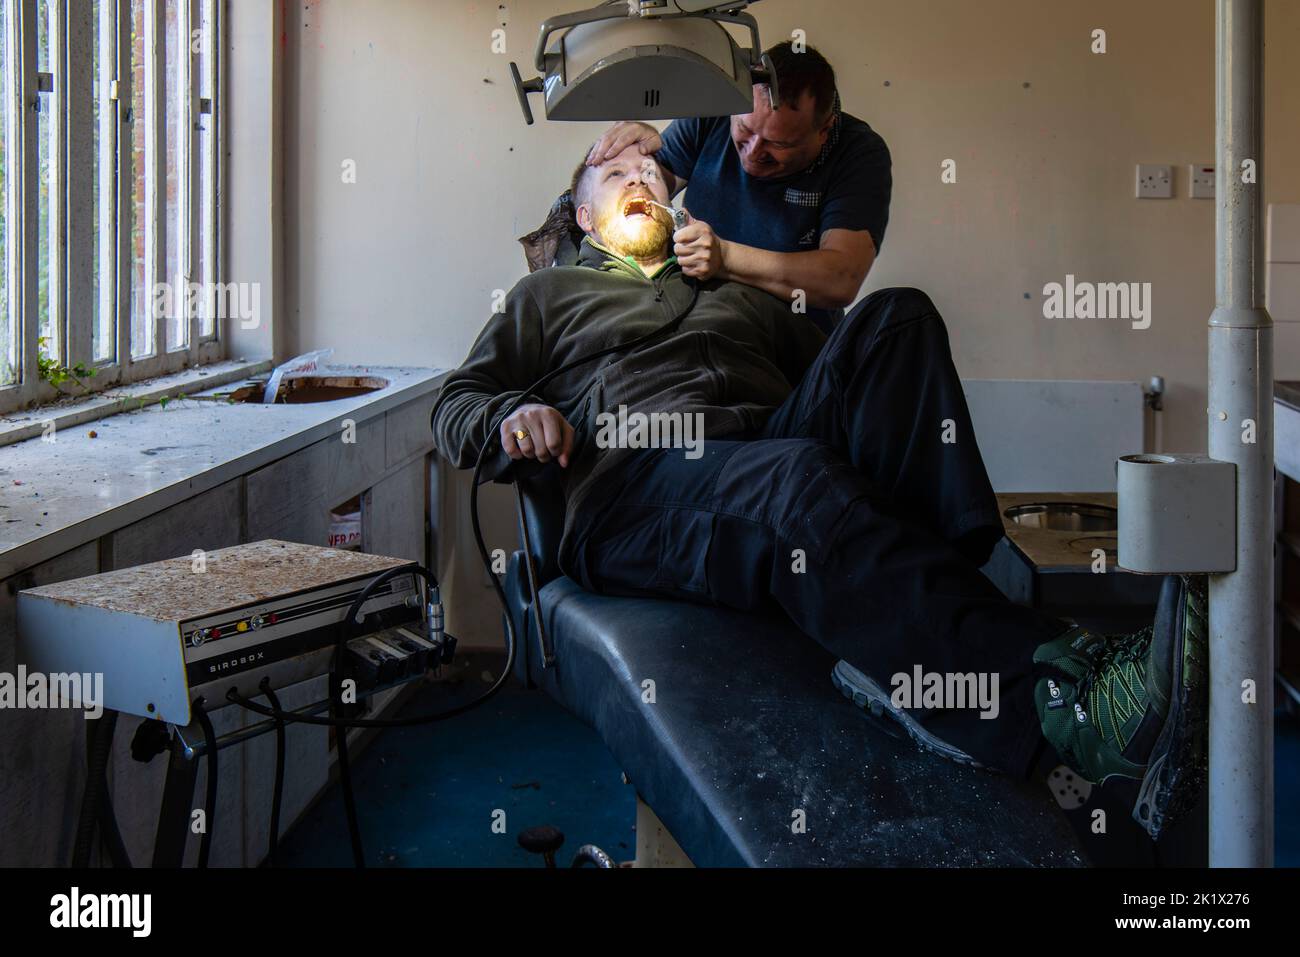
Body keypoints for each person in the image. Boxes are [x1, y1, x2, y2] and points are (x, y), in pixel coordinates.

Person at [430, 145, 1207, 841]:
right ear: (582, 213)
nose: (637, 175)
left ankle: (925, 624)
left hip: (761, 450)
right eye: (614, 171)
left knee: (897, 320)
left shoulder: (731, 287)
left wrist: (741, 265)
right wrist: (512, 413)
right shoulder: (548, 296)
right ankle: (1060, 703)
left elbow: (854, 377)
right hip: (635, 487)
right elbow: (455, 404)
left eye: (651, 170)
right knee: (795, 479)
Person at [585, 41, 891, 335]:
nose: (754, 152)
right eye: (744, 129)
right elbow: (650, 188)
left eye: (778, 144)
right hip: (695, 319)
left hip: (791, 346)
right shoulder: (715, 108)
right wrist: (636, 156)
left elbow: (840, 278)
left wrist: (725, 258)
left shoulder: (858, 152)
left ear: (824, 131)